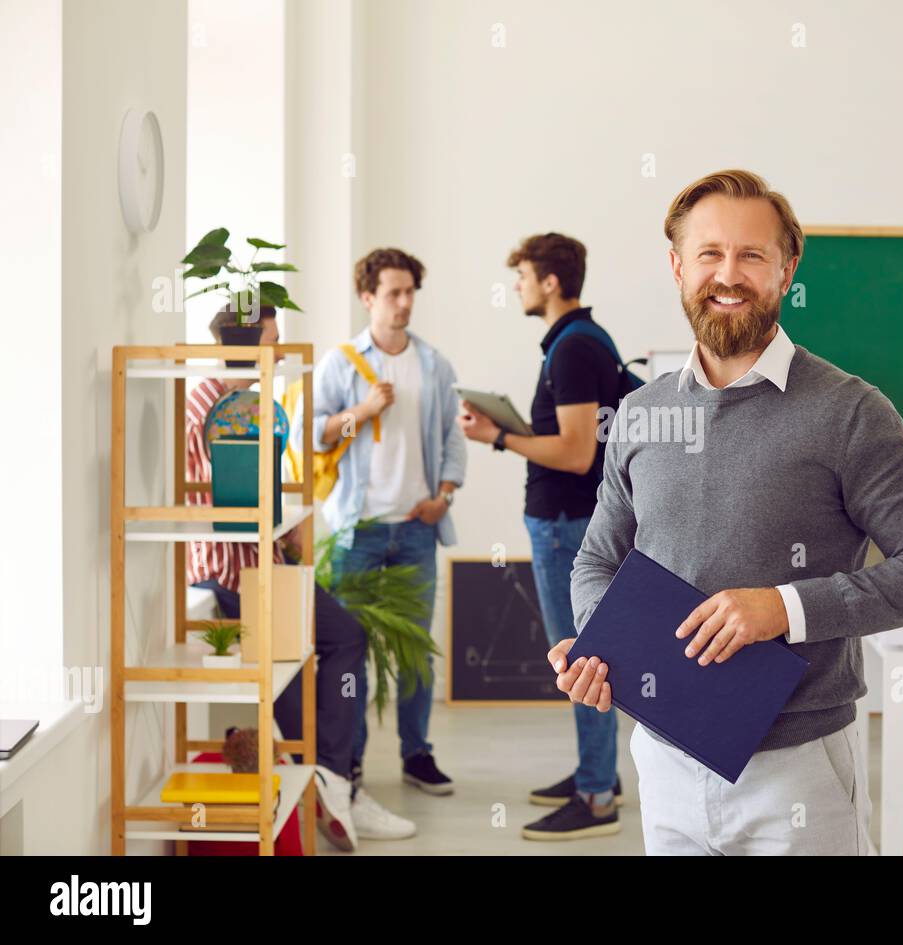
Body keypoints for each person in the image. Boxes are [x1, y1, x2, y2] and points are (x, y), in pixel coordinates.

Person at [552, 169, 903, 855]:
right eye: (710, 254)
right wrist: (599, 647)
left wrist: (783, 607)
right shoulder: (639, 413)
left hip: (799, 770)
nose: (729, 274)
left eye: (751, 255)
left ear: (786, 268)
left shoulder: (850, 411)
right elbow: (599, 557)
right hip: (663, 758)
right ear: (677, 266)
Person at [188, 307, 408, 851]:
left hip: (268, 566)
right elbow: (213, 496)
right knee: (305, 659)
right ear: (240, 344)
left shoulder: (253, 401)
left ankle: (331, 781)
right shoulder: (205, 404)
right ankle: (332, 783)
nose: (281, 353)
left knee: (329, 646)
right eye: (272, 341)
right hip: (233, 573)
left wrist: (288, 532)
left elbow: (268, 487)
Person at [458, 233, 626, 841]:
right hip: (570, 523)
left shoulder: (574, 347)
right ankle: (599, 771)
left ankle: (596, 796)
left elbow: (578, 453)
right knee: (588, 653)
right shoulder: (581, 339)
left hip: (567, 527)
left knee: (581, 658)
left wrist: (499, 437)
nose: (517, 287)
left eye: (523, 275)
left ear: (551, 281)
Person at [298, 247, 466, 807]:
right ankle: (348, 763)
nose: (404, 302)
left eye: (410, 291)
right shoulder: (340, 363)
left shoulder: (434, 364)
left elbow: (452, 437)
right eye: (393, 293)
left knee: (415, 651)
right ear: (368, 297)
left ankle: (416, 754)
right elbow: (313, 434)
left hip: (416, 528)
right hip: (358, 532)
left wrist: (444, 495)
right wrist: (362, 413)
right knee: (353, 653)